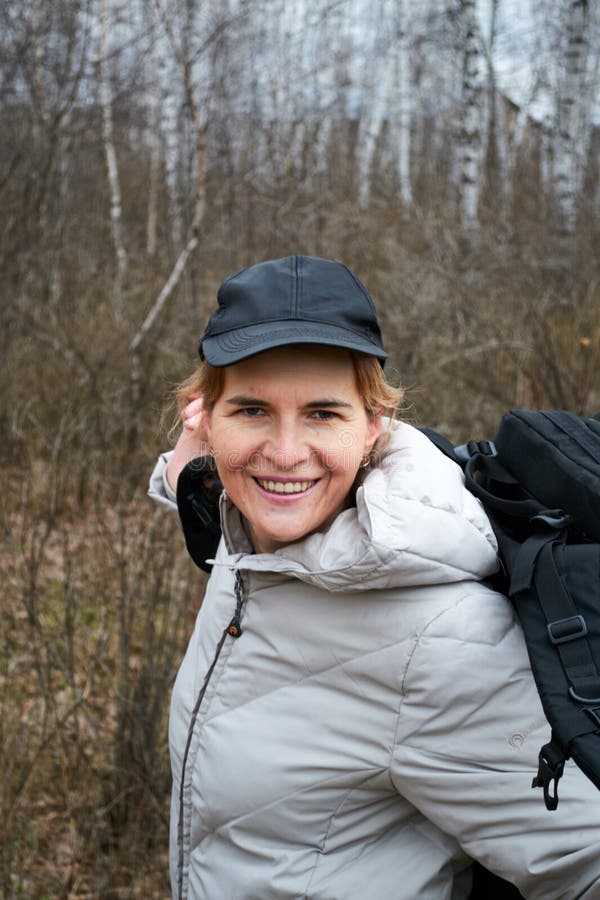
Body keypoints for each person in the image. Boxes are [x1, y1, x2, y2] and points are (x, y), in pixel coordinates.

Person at [149, 255, 600, 900]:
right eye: (250, 410)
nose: (283, 452)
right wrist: (191, 473)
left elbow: (585, 858)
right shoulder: (250, 539)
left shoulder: (437, 637)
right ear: (204, 418)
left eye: (323, 414)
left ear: (374, 432)